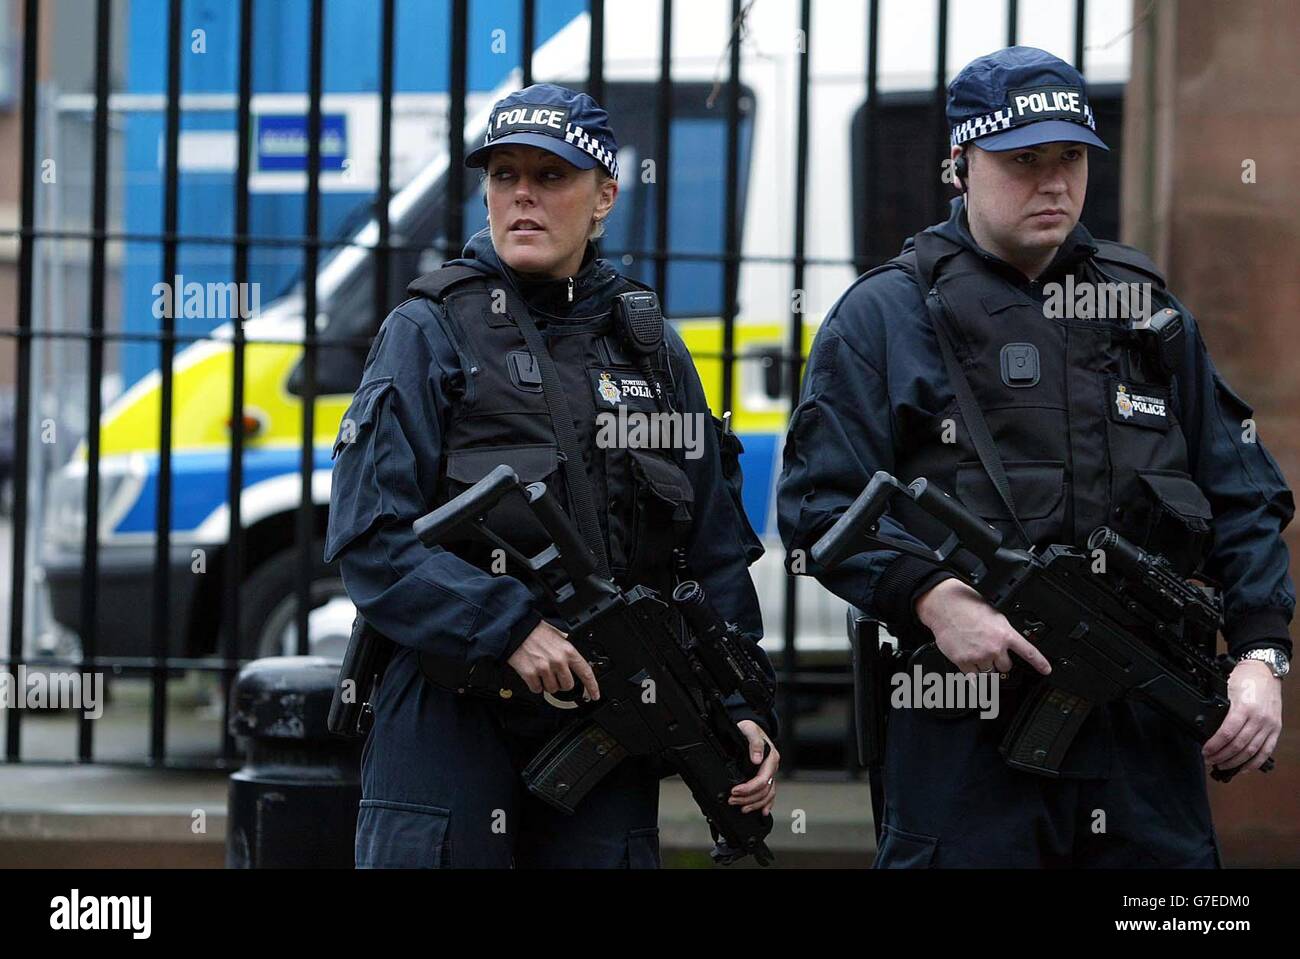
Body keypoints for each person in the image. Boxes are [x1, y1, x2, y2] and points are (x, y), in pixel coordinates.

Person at [777, 47, 1292, 868]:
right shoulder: (885, 315)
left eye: (1070, 158)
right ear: (960, 164)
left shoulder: (1146, 314)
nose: (1053, 182)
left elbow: (1244, 495)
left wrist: (1261, 659)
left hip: (1140, 736)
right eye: (1023, 161)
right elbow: (818, 506)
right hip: (965, 730)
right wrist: (934, 596)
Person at [325, 83, 778, 868]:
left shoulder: (651, 348)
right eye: (505, 177)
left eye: (552, 176)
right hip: (449, 710)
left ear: (605, 197)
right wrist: (506, 626)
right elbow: (370, 538)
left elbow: (711, 551)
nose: (523, 197)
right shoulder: (428, 329)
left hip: (605, 712)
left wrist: (736, 701)